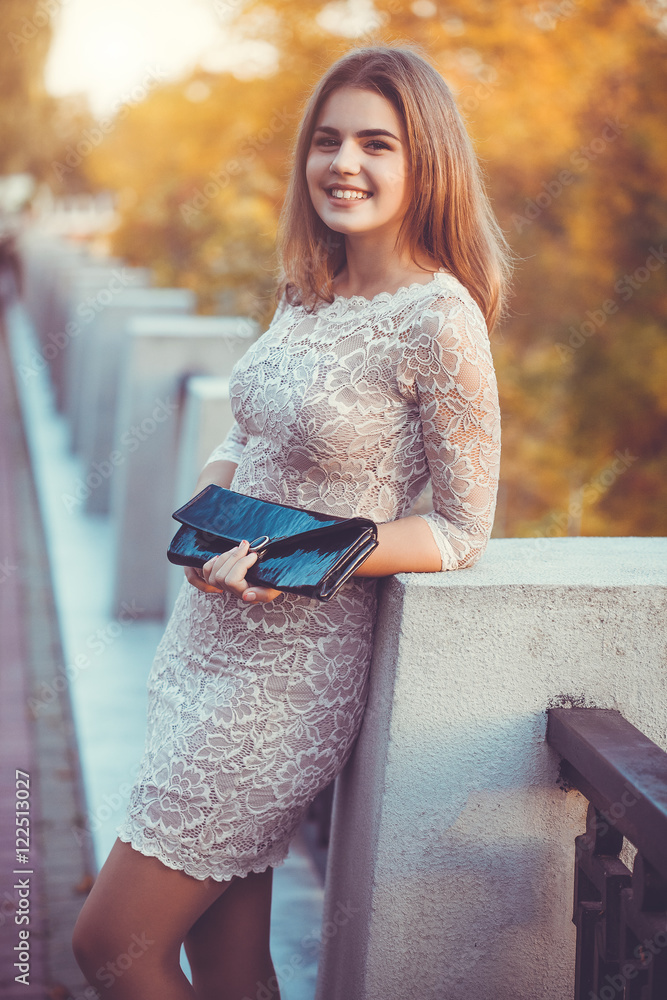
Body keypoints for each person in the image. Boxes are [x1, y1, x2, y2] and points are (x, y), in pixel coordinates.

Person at [72, 42, 513, 1000]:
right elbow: (244, 428)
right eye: (326, 141)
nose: (342, 164)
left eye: (375, 144)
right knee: (230, 967)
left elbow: (459, 530)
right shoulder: (308, 288)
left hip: (287, 681)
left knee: (108, 947)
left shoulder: (440, 318)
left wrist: (283, 555)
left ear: (425, 161)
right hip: (203, 641)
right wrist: (211, 521)